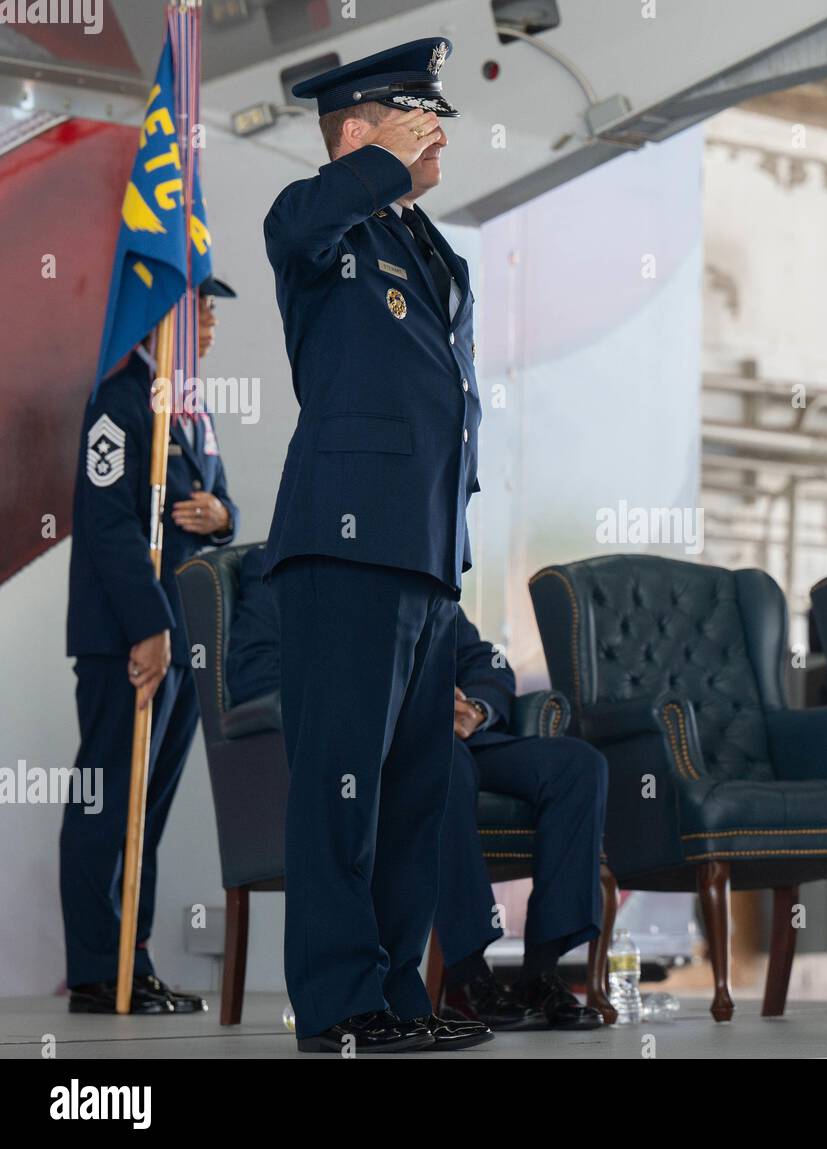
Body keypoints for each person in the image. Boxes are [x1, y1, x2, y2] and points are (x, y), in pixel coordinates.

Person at [262, 37, 489, 1054]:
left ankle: (397, 995)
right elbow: (307, 219)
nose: (435, 125)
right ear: (356, 130)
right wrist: (374, 166)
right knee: (339, 791)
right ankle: (339, 1005)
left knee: (408, 799)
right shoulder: (316, 219)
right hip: (345, 546)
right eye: (412, 111)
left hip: (427, 555)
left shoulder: (432, 249)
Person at [226, 546, 609, 1032]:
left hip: (463, 735)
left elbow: (485, 660)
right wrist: (399, 703)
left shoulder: (412, 560)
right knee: (440, 766)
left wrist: (474, 708)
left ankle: (541, 971)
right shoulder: (287, 566)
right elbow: (253, 672)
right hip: (378, 748)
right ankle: (468, 980)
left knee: (579, 765)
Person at [62, 276, 240, 1014]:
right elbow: (108, 525)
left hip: (182, 643)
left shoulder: (190, 412)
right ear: (160, 315)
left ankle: (133, 960)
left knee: (148, 811)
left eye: (210, 311)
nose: (207, 322)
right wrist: (148, 626)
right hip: (130, 642)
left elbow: (219, 505)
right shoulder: (119, 399)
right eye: (196, 307)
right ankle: (96, 972)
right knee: (107, 803)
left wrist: (222, 513)